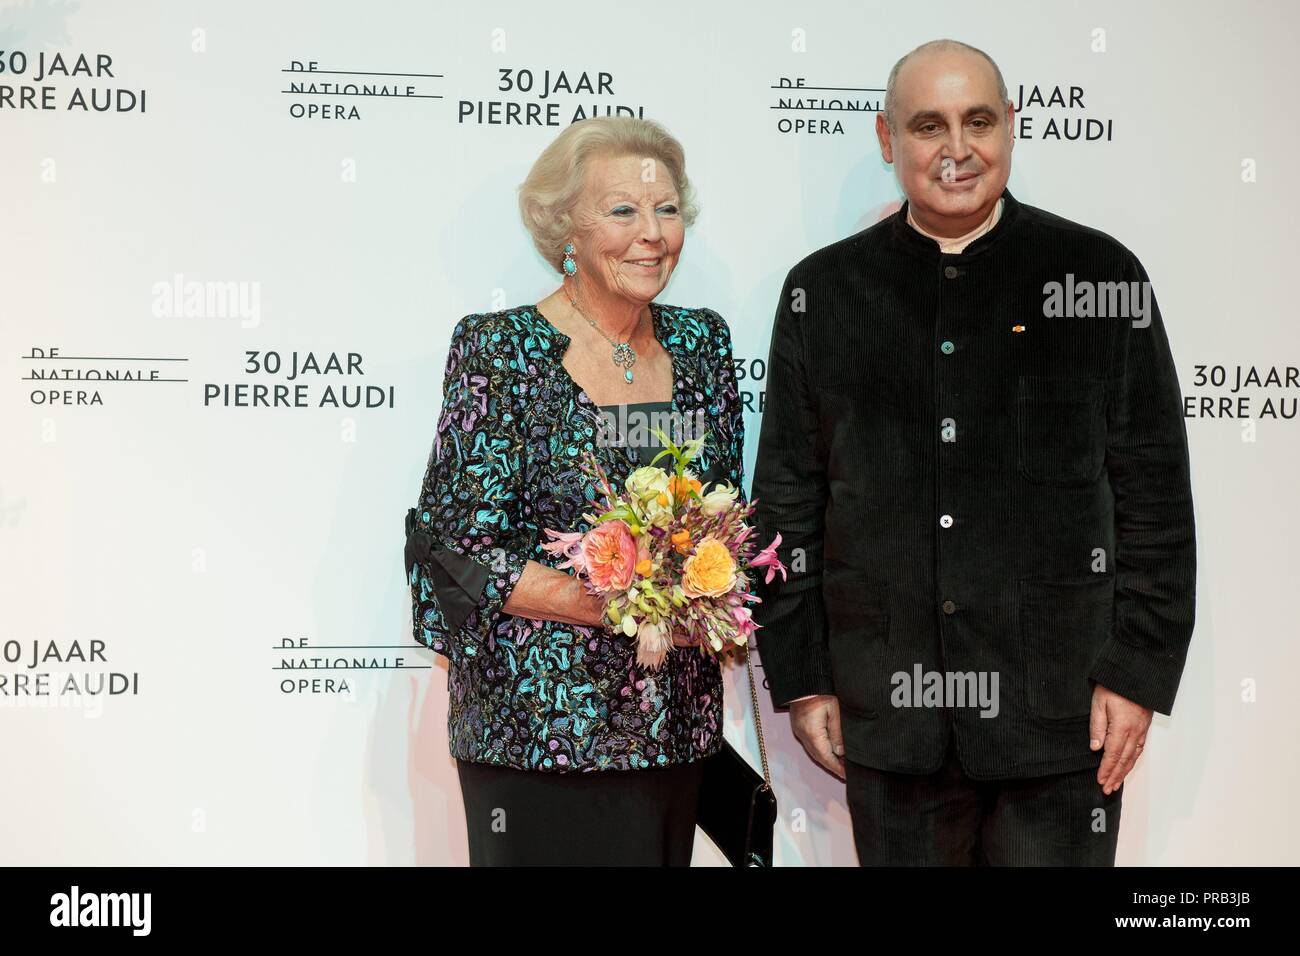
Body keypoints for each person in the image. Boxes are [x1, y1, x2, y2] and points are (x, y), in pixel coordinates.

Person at [750, 39, 1196, 865]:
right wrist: (804, 674)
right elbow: (787, 500)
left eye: (978, 120)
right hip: (892, 722)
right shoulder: (823, 294)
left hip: (1061, 725)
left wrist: (1138, 671)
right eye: (928, 125)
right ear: (888, 141)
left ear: (1012, 128)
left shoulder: (1099, 276)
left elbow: (1156, 498)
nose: (956, 149)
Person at [404, 116, 745, 866]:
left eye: (665, 210)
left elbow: (729, 524)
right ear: (566, 229)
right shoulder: (502, 350)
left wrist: (700, 598)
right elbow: (458, 552)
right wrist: (626, 605)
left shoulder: (703, 345)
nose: (651, 233)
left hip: (673, 731)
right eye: (622, 211)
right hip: (539, 732)